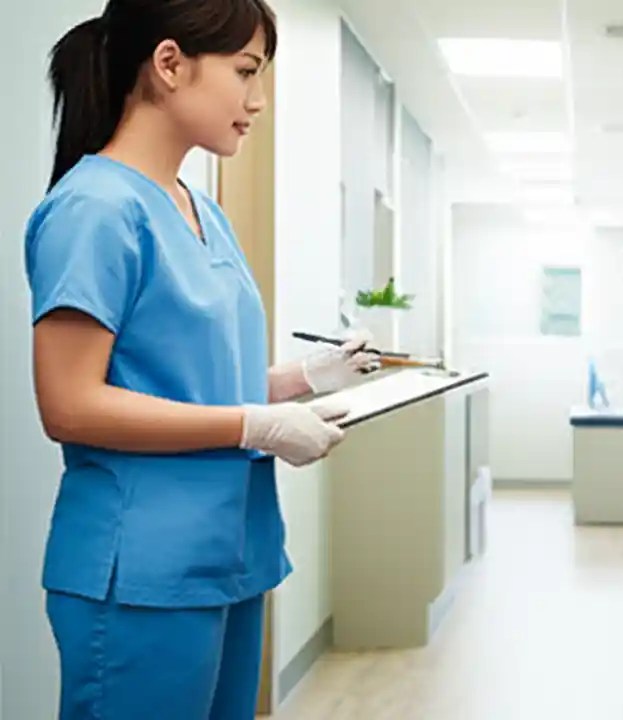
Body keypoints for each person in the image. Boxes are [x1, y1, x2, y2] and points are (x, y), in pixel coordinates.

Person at [25, 2, 375, 718]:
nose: (258, 99)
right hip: (142, 573)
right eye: (245, 71)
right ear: (169, 64)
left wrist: (305, 381)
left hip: (227, 560)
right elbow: (70, 404)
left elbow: (193, 384)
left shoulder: (199, 208)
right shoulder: (96, 208)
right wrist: (256, 424)